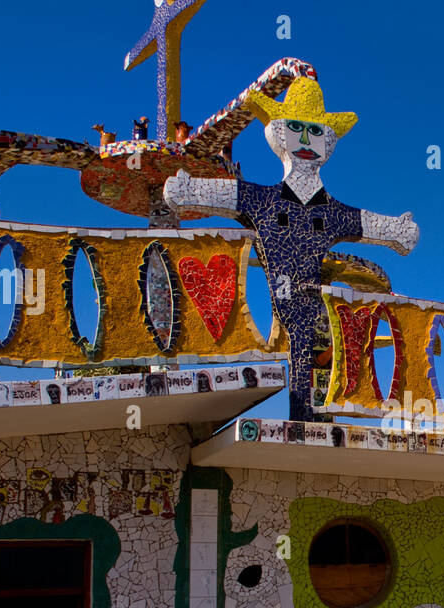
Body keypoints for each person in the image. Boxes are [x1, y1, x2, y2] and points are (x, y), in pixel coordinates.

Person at [164, 79, 418, 422]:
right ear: (279, 133)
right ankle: (308, 417)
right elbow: (230, 195)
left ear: (327, 141)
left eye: (314, 131)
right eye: (296, 128)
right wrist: (190, 189)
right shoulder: (264, 201)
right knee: (305, 347)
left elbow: (365, 222)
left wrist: (397, 229)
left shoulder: (331, 213)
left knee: (312, 349)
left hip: (314, 308)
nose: (304, 140)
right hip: (288, 306)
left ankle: (310, 416)